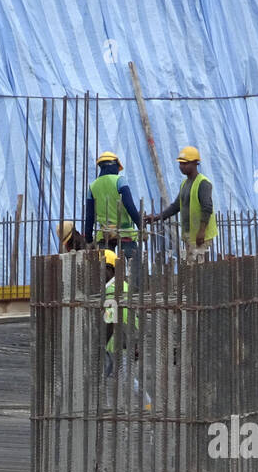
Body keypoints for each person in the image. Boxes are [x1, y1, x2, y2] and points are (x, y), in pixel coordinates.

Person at [101, 250, 151, 409]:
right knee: (102, 374)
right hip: (121, 340)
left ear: (111, 270)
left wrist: (101, 342)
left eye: (102, 268)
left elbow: (110, 321)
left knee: (126, 378)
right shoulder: (122, 285)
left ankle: (148, 405)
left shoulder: (111, 290)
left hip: (118, 342)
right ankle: (103, 406)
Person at [154, 146, 216, 263]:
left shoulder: (203, 183)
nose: (181, 166)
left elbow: (207, 208)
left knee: (199, 268)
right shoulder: (184, 184)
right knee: (191, 268)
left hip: (201, 237)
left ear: (195, 163)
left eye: (185, 163)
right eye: (180, 163)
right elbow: (176, 206)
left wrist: (201, 231)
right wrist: (157, 217)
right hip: (190, 236)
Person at [84, 151, 143, 263]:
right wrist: (141, 225)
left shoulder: (92, 187)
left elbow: (89, 215)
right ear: (115, 165)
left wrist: (88, 238)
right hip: (125, 232)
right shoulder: (119, 180)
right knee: (134, 268)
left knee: (106, 268)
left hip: (105, 234)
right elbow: (130, 205)